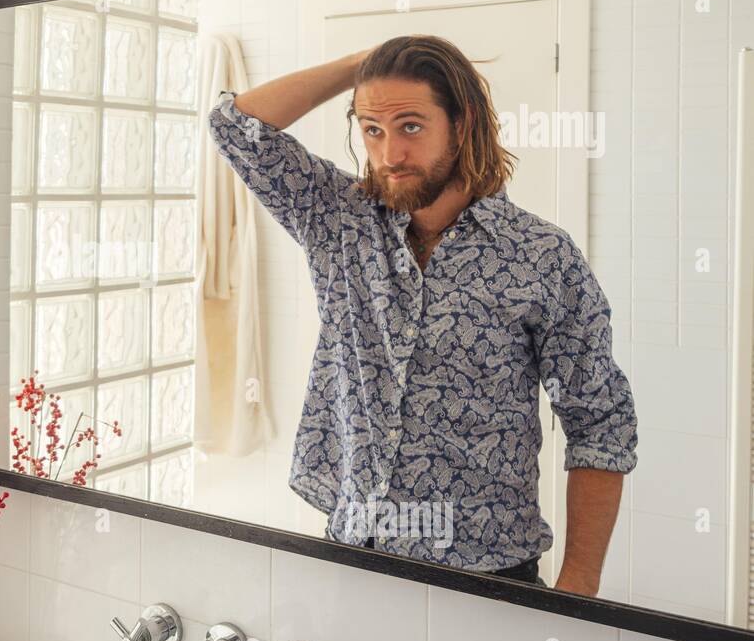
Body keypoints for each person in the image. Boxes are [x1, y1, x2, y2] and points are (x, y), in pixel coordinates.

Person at [208, 35, 637, 594]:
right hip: (352, 553)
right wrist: (360, 66)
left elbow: (599, 422)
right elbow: (233, 126)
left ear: (463, 125)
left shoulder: (542, 256)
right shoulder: (338, 222)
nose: (389, 154)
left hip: (491, 573)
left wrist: (579, 583)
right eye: (372, 129)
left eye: (411, 126)